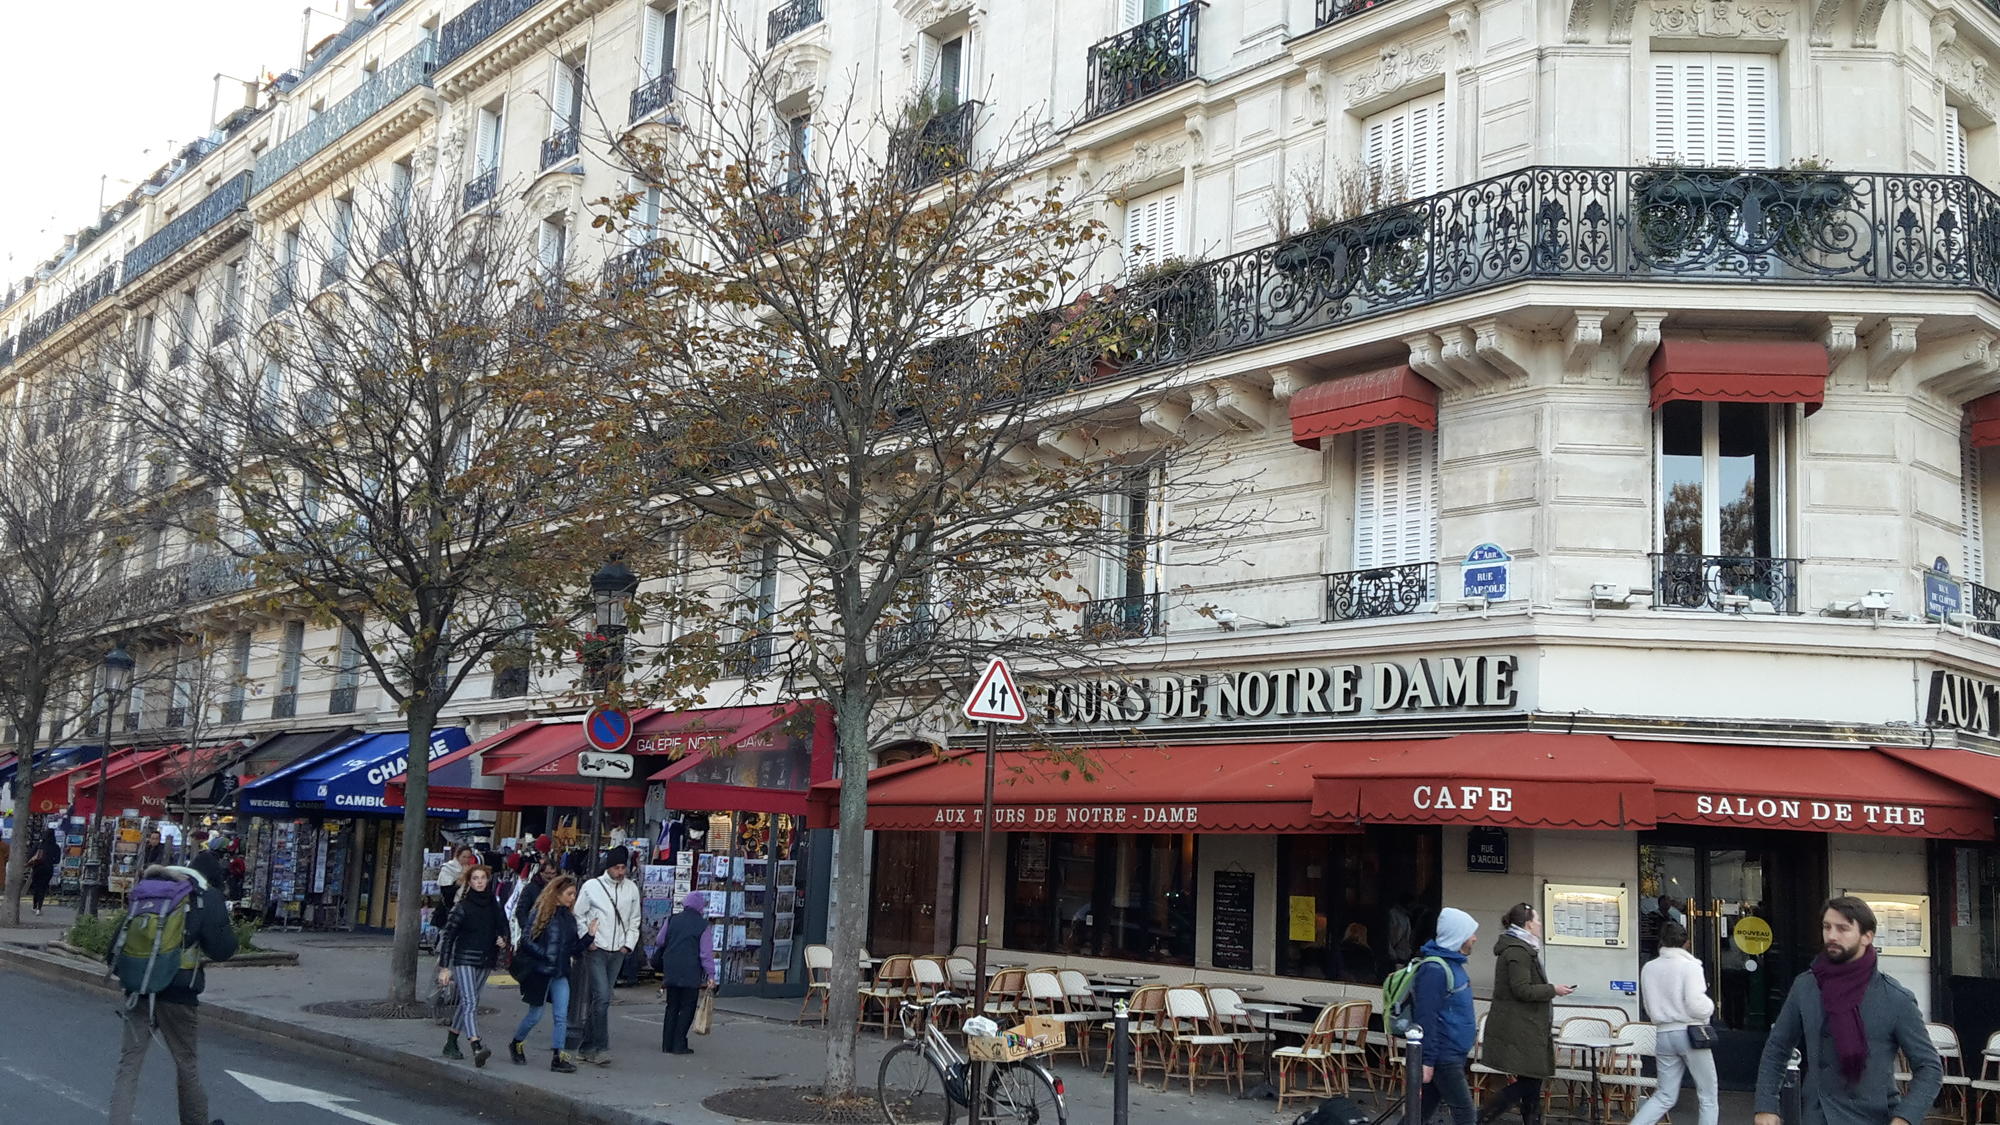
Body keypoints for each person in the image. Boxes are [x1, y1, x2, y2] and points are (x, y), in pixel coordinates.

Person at [1755, 896, 1941, 1125]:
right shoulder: (1806, 986)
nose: (1832, 936)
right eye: (1827, 927)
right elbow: (1778, 1047)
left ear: (1867, 936)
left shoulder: (1895, 998)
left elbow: (1929, 1068)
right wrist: (1766, 1106)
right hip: (1816, 1116)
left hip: (1872, 1118)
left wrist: (1905, 1118)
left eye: (1843, 928)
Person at [106, 862, 239, 1125]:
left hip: (139, 989)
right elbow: (223, 949)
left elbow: (114, 949)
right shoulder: (204, 896)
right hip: (180, 993)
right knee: (185, 1063)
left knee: (129, 1064)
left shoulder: (146, 893)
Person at [1480, 904, 1575, 1125]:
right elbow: (1521, 989)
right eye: (1538, 920)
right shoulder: (1518, 951)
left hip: (1526, 1025)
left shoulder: (1521, 948)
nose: (1541, 924)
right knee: (1530, 1082)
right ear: (1528, 924)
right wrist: (1553, 989)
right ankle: (1482, 1116)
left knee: (1532, 1081)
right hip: (1522, 1027)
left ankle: (1528, 1120)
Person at [1629, 922, 1719, 1125]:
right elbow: (1696, 1004)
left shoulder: (1649, 968)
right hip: (1690, 1033)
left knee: (1665, 1095)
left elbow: (1648, 1005)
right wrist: (1709, 1008)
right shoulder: (1690, 966)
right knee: (1708, 1096)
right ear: (1686, 943)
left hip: (1663, 1033)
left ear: (1662, 941)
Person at [510, 875, 596, 1072]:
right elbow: (526, 940)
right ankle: (516, 1042)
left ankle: (558, 1056)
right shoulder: (541, 913)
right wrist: (545, 955)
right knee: (535, 1014)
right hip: (540, 972)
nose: (572, 898)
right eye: (569, 894)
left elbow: (573, 948)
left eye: (574, 894)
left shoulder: (569, 918)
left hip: (560, 972)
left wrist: (589, 936)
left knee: (561, 1015)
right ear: (557, 894)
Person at [1407, 906, 1480, 1125]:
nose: (1475, 938)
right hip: (1443, 1056)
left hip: (1450, 1053)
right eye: (1470, 933)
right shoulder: (1435, 969)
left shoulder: (1452, 965)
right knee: (1466, 1114)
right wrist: (1426, 1061)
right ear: (1459, 936)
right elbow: (1425, 1017)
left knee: (1419, 1113)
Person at [435, 864, 512, 1067]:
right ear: (469, 882)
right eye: (475, 878)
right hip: (465, 958)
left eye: (483, 878)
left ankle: (451, 1042)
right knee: (470, 1002)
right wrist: (445, 966)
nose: (479, 881)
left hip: (486, 958)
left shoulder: (494, 904)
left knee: (469, 1001)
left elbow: (503, 926)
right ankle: (476, 1044)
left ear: (488, 881)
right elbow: (449, 935)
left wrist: (503, 939)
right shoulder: (462, 906)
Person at [573, 846, 641, 1066]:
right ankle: (601, 1047)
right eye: (617, 868)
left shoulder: (631, 889)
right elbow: (578, 914)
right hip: (598, 949)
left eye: (623, 867)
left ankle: (586, 1046)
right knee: (602, 997)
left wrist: (627, 945)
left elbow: (635, 919)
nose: (621, 872)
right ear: (608, 867)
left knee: (600, 1000)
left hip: (617, 950)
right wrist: (588, 939)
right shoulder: (592, 887)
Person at [650, 890, 717, 1054]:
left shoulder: (673, 919)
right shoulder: (702, 926)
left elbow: (660, 940)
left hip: (671, 968)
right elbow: (705, 954)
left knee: (672, 1006)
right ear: (700, 907)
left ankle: (667, 1043)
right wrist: (711, 975)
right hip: (690, 971)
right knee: (687, 1007)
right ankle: (679, 1043)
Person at [436, 845, 476, 919]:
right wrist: (462, 876)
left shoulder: (471, 869)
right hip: (449, 907)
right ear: (458, 856)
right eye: (464, 857)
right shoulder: (448, 868)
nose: (466, 860)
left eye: (469, 857)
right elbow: (447, 892)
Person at [27, 824, 58, 914]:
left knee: (36, 887)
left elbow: (30, 855)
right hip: (48, 869)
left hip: (37, 868)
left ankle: (34, 905)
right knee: (43, 888)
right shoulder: (55, 847)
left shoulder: (39, 845)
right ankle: (39, 908)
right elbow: (57, 860)